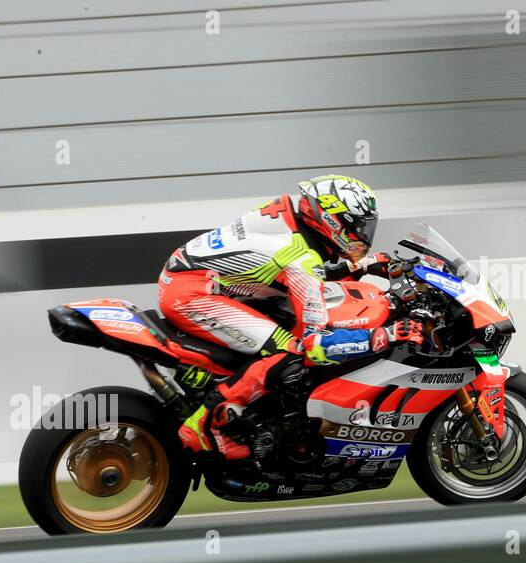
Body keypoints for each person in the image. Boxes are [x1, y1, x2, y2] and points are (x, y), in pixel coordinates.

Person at [160, 174, 423, 459]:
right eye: (358, 227)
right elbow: (315, 346)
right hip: (192, 295)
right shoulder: (300, 260)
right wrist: (386, 335)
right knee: (290, 352)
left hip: (194, 277)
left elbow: (288, 270)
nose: (362, 236)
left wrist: (362, 265)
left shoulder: (289, 218)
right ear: (333, 219)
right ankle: (204, 426)